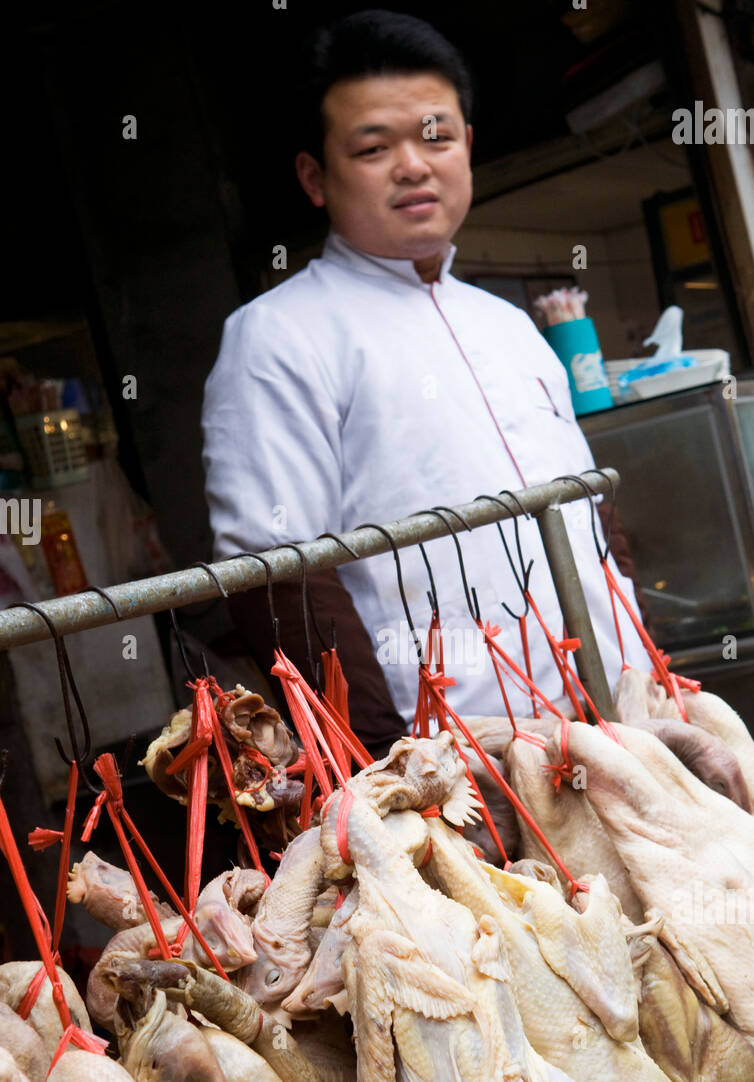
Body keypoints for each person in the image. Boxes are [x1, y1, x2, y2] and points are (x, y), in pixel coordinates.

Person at [202, 9, 649, 756]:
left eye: (435, 136)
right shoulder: (278, 335)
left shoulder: (508, 326)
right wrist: (394, 772)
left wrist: (647, 664)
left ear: (467, 147)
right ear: (315, 176)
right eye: (373, 147)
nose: (413, 165)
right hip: (463, 756)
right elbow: (275, 580)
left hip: (623, 723)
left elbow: (590, 520)